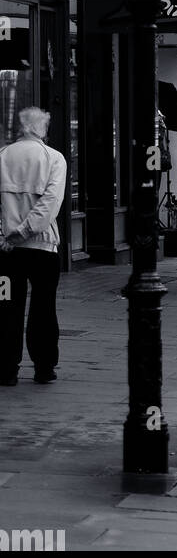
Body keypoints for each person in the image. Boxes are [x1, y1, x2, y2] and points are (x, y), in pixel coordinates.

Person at [0, 107, 67, 386]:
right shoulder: (54, 158)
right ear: (42, 130)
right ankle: (44, 366)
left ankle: (6, 368)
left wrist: (7, 237)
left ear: (21, 128)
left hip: (6, 252)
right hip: (43, 249)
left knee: (6, 306)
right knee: (44, 306)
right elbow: (50, 205)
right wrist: (24, 232)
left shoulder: (2, 155)